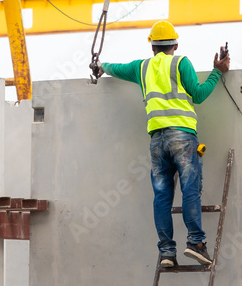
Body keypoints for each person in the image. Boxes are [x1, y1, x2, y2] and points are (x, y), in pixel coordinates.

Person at [92, 20, 231, 268]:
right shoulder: (181, 63)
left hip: (157, 140)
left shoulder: (141, 67)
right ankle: (196, 244)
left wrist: (100, 65)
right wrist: (217, 71)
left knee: (162, 197)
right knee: (189, 189)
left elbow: (116, 68)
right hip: (183, 137)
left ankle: (167, 252)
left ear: (152, 46)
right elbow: (198, 95)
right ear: (175, 44)